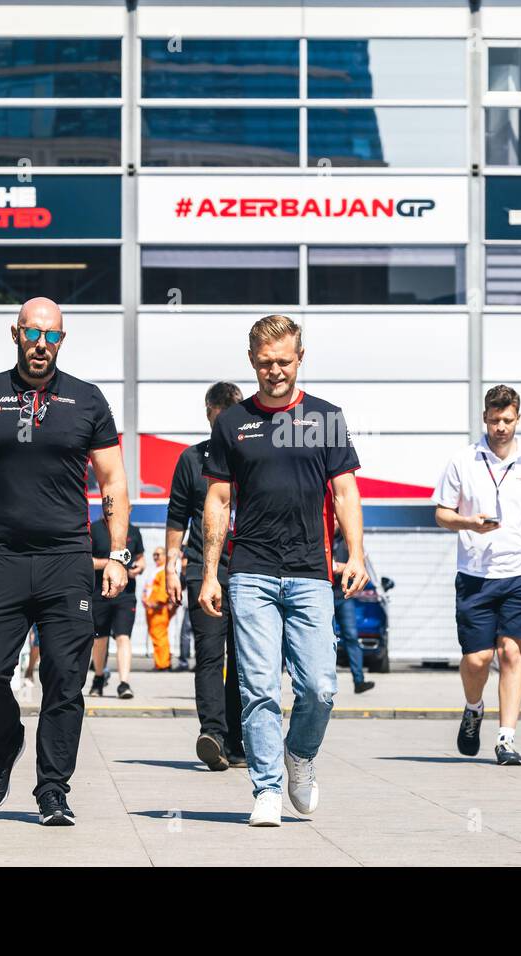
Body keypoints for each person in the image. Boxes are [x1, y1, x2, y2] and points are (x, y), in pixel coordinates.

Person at [0, 297, 130, 827]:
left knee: (66, 681)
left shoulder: (87, 401)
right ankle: (5, 741)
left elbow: (113, 480)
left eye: (53, 336)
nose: (42, 344)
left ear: (62, 341)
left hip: (67, 560)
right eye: (33, 334)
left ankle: (53, 791)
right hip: (1, 555)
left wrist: (116, 553)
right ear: (16, 333)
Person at [200, 315, 367, 827]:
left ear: (300, 359)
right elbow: (218, 498)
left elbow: (344, 492)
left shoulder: (327, 417)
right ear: (253, 361)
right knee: (258, 685)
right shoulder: (232, 423)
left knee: (319, 685)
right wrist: (210, 572)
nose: (275, 371)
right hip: (250, 571)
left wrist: (355, 554)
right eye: (266, 362)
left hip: (311, 572)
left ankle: (300, 754)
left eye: (285, 361)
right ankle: (267, 787)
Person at [434, 385, 521, 767]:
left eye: (507, 420)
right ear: (484, 418)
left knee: (510, 653)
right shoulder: (463, 461)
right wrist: (467, 521)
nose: (500, 427)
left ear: (517, 419)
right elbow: (441, 514)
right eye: (494, 420)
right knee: (477, 660)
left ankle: (506, 739)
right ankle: (474, 709)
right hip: (475, 574)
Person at [165, 381, 246, 771]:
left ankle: (237, 741)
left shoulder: (252, 456)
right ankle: (213, 734)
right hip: (202, 570)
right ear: (208, 413)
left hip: (249, 572)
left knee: (246, 660)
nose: (224, 427)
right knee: (210, 654)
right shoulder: (191, 460)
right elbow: (176, 517)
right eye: (219, 419)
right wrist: (170, 568)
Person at [89, 520, 144, 698]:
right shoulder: (95, 529)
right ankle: (98, 678)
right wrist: (113, 563)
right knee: (100, 639)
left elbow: (141, 558)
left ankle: (124, 683)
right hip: (100, 592)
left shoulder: (134, 531)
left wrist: (139, 568)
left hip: (126, 594)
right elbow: (87, 561)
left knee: (123, 637)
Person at [331, 526, 374, 694]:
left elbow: (358, 564)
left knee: (351, 637)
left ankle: (359, 681)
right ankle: (324, 682)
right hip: (324, 595)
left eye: (337, 517)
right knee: (322, 638)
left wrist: (340, 567)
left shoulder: (349, 541)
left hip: (344, 596)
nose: (335, 520)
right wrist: (337, 566)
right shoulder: (320, 536)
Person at [143, 547, 172, 670]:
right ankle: (160, 662)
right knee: (156, 636)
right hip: (151, 609)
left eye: (158, 554)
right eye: (154, 554)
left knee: (160, 636)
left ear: (165, 556)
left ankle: (163, 664)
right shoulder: (156, 570)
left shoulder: (163, 571)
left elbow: (163, 592)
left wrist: (155, 603)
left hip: (158, 609)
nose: (155, 557)